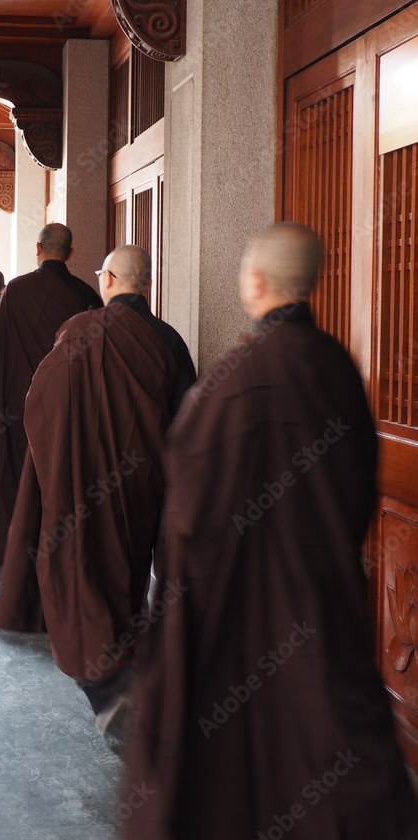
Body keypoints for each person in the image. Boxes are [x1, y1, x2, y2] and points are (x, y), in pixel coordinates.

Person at [123, 222, 418, 840]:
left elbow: (190, 510)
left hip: (239, 607)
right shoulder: (338, 368)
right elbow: (357, 481)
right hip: (322, 595)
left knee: (237, 749)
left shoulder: (235, 381)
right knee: (326, 726)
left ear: (256, 282)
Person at [0, 245, 196, 746]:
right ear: (146, 285)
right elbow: (187, 425)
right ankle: (126, 674)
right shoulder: (169, 341)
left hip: (83, 484)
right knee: (130, 574)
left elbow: (39, 403)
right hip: (147, 486)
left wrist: (67, 456)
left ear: (108, 281)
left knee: (86, 573)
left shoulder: (78, 332)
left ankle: (111, 685)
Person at [0, 222, 102, 567]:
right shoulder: (87, 296)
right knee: (58, 474)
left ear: (38, 249)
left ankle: (9, 541)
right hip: (66, 405)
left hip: (14, 402)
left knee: (13, 471)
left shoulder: (16, 290)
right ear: (71, 253)